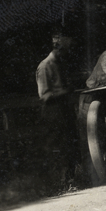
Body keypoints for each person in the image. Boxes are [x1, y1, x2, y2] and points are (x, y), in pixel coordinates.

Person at [36, 33, 79, 188]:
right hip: (53, 113)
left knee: (69, 146)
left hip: (64, 111)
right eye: (65, 50)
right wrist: (67, 91)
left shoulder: (60, 64)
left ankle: (69, 181)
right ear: (58, 48)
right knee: (57, 147)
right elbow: (45, 96)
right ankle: (57, 184)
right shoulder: (45, 66)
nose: (67, 53)